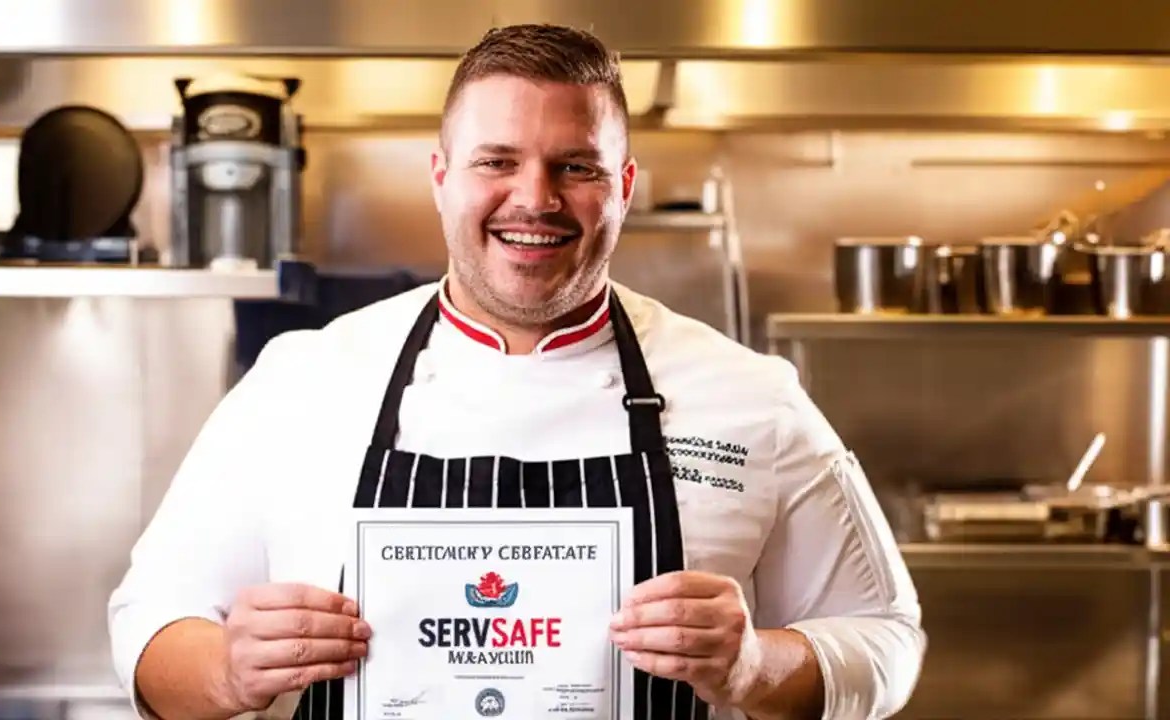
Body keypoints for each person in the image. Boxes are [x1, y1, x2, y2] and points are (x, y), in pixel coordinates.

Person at [108, 23, 925, 720]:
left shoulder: (752, 399)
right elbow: (148, 622)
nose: (534, 199)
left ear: (624, 187)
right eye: (496, 161)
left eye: (577, 166)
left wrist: (751, 664)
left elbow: (886, 637)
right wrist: (226, 670)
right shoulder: (302, 382)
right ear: (440, 178)